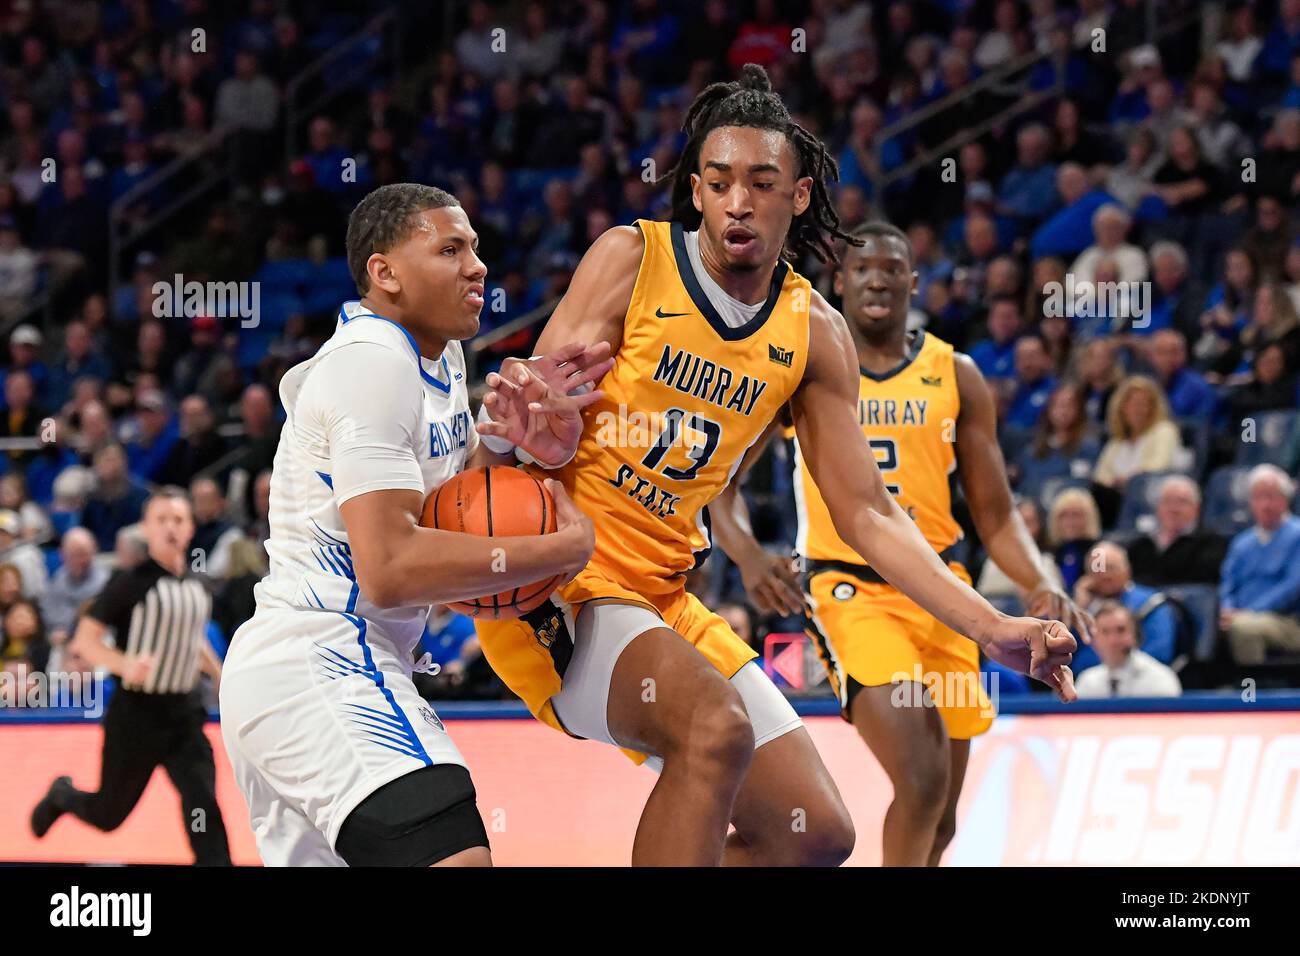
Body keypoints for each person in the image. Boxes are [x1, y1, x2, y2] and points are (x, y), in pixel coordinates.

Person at [473, 65, 1076, 867]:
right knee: (712, 728)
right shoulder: (630, 258)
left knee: (815, 833)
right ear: (694, 191)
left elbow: (866, 512)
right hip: (562, 586)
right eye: (718, 181)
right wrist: (514, 440)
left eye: (761, 182)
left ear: (797, 197)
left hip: (664, 599)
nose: (737, 201)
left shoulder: (813, 333)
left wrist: (990, 624)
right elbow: (520, 426)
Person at [218, 183, 610, 868]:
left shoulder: (439, 361)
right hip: (323, 661)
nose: (477, 266)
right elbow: (391, 566)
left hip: (323, 670)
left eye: (477, 249)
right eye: (450, 248)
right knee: (457, 855)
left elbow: (447, 515)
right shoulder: (374, 363)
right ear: (385, 272)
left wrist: (512, 448)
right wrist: (565, 545)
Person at [710, 222, 1091, 866]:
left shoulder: (957, 374)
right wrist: (747, 555)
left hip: (944, 595)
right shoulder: (809, 368)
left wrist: (1040, 580)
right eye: (862, 269)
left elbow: (996, 516)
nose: (877, 278)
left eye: (892, 268)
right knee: (920, 775)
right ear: (840, 283)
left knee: (940, 817)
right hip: (849, 589)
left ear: (914, 283)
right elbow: (721, 485)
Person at [29, 489, 231, 865]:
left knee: (203, 804)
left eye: (178, 519)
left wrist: (216, 671)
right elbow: (85, 641)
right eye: (162, 520)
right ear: (146, 528)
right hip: (135, 717)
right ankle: (63, 795)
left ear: (190, 528)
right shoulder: (130, 582)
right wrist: (124, 665)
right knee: (108, 816)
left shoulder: (197, 584)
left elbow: (189, 634)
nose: (171, 527)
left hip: (184, 715)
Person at [1219, 465, 1300, 665]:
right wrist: (1228, 609)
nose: (1266, 504)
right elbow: (1228, 582)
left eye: (1272, 496)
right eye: (1259, 497)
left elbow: (1292, 587)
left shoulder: (1297, 535)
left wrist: (1250, 612)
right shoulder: (1241, 542)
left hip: (1288, 621)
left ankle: (1253, 687)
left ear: (1285, 500)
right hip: (1239, 616)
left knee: (1244, 628)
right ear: (1251, 502)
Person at [1072, 541, 1181, 672]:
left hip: (1141, 680)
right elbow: (1069, 657)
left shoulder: (1151, 604)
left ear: (1127, 570)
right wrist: (1078, 609)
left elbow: (1160, 652)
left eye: (1111, 568)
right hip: (1091, 683)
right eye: (1097, 570)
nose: (1105, 575)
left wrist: (1114, 664)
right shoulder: (1085, 608)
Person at [1125, 475, 1228, 586]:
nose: (1173, 508)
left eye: (1182, 502)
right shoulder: (1140, 545)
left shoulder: (1213, 544)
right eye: (1167, 501)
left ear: (1197, 508)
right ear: (1157, 507)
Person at [1093, 375, 1186, 490]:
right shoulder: (1116, 442)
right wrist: (1113, 482)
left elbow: (1158, 467)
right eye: (1133, 404)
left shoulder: (1164, 431)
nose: (1138, 410)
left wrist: (1129, 481)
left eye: (1144, 404)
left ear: (1153, 407)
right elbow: (1099, 476)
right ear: (1122, 409)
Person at [1074, 601, 1181, 698]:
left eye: (1121, 630)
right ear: (1093, 640)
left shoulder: (1160, 679)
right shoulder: (1087, 681)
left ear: (1136, 635)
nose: (1113, 640)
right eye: (1105, 632)